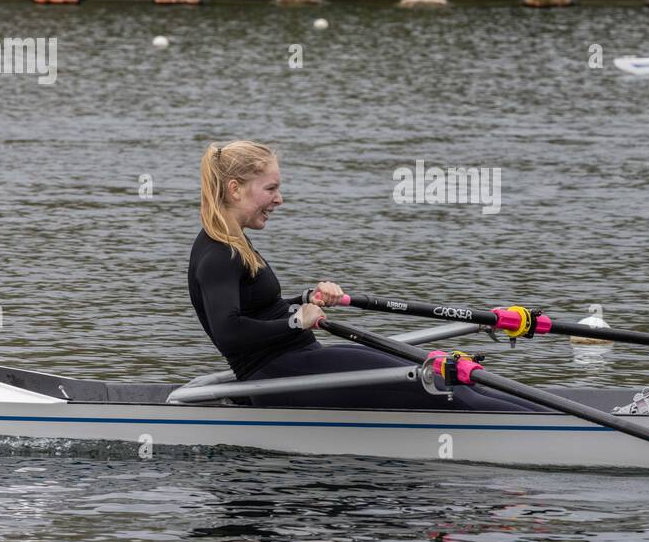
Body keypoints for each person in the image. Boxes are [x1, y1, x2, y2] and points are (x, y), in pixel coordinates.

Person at [188, 140, 538, 411]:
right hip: (279, 375)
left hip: (298, 363)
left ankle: (543, 419)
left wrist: (305, 300)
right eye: (270, 189)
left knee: (444, 373)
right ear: (234, 189)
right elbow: (230, 331)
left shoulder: (234, 242)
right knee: (437, 383)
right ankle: (550, 432)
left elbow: (258, 309)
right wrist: (296, 322)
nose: (279, 200)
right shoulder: (218, 254)